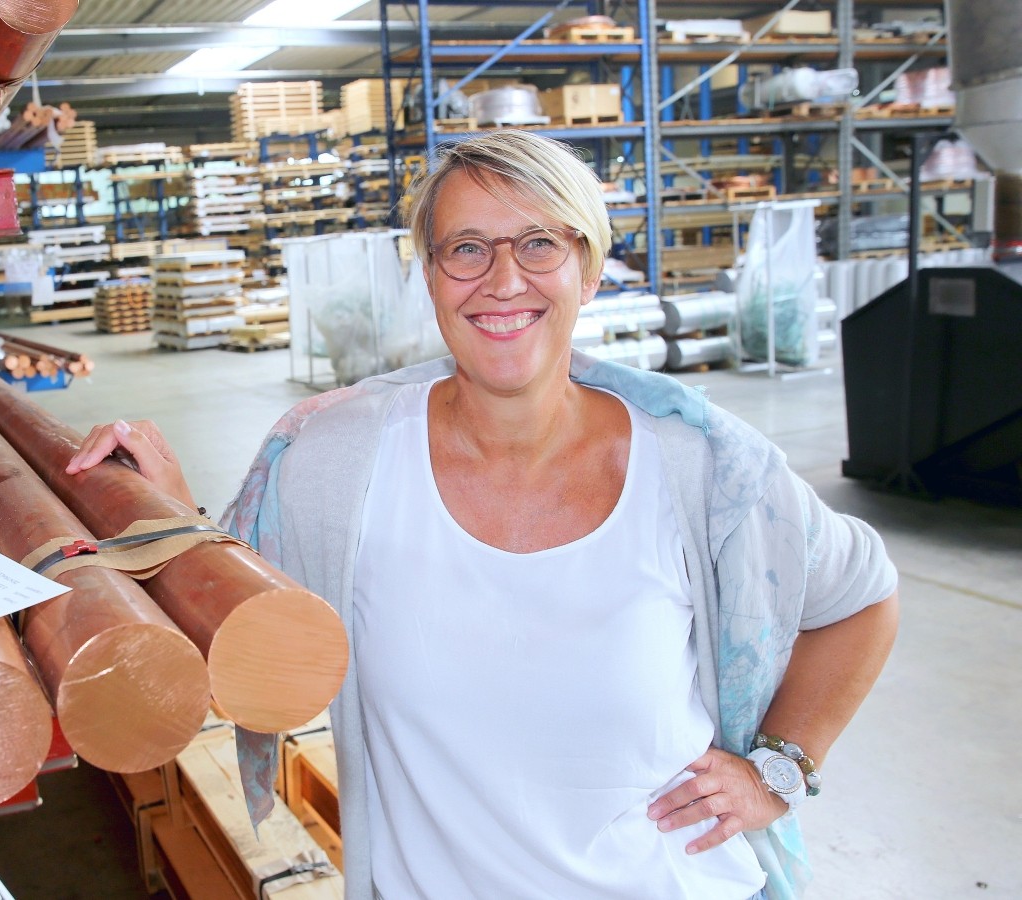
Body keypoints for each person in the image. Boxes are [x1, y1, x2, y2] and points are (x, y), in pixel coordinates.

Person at [66, 130, 898, 900]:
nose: (503, 280)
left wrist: (780, 768)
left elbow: (863, 599)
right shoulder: (334, 463)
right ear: (429, 276)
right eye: (466, 249)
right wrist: (159, 502)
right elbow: (228, 611)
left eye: (540, 243)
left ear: (590, 266)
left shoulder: (705, 468)